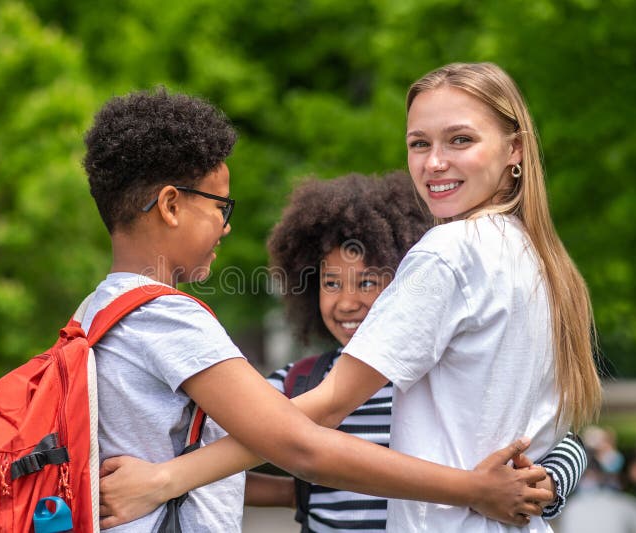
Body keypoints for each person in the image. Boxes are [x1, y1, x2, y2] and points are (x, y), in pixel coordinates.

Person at [97, 62, 601, 532]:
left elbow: (326, 410)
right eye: (419, 144)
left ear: (515, 148)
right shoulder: (539, 260)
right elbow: (558, 439)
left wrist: (165, 480)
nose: (435, 162)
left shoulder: (450, 251)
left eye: (461, 139)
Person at [244, 171, 588, 532]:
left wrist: (548, 482)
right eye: (331, 283)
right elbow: (217, 450)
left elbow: (565, 441)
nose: (347, 302)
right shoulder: (299, 382)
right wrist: (300, 492)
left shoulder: (441, 382)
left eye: (368, 282)